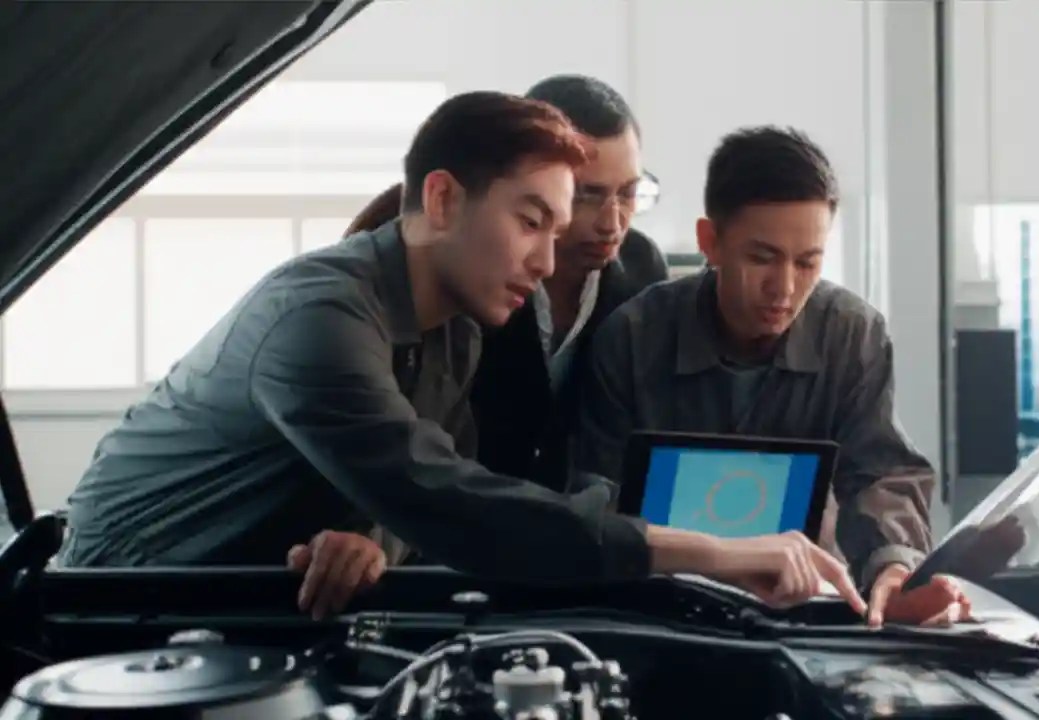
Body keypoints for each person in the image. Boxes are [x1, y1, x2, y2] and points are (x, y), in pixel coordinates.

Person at [60, 92, 865, 620]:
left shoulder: (457, 329)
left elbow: (421, 485)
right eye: (530, 221)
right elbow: (454, 500)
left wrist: (375, 533)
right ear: (443, 200)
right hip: (105, 608)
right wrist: (714, 551)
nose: (551, 262)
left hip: (244, 603)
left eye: (556, 230)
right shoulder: (318, 317)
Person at [577, 126, 968, 628]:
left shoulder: (850, 334)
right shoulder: (632, 337)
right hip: (658, 608)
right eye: (762, 258)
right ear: (709, 242)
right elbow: (594, 494)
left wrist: (894, 564)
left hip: (806, 605)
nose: (784, 288)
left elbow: (881, 472)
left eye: (808, 262)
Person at [345, 75, 668, 493]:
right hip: (445, 510)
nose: (612, 222)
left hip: (568, 522)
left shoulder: (641, 268)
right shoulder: (463, 265)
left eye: (628, 194)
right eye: (586, 195)